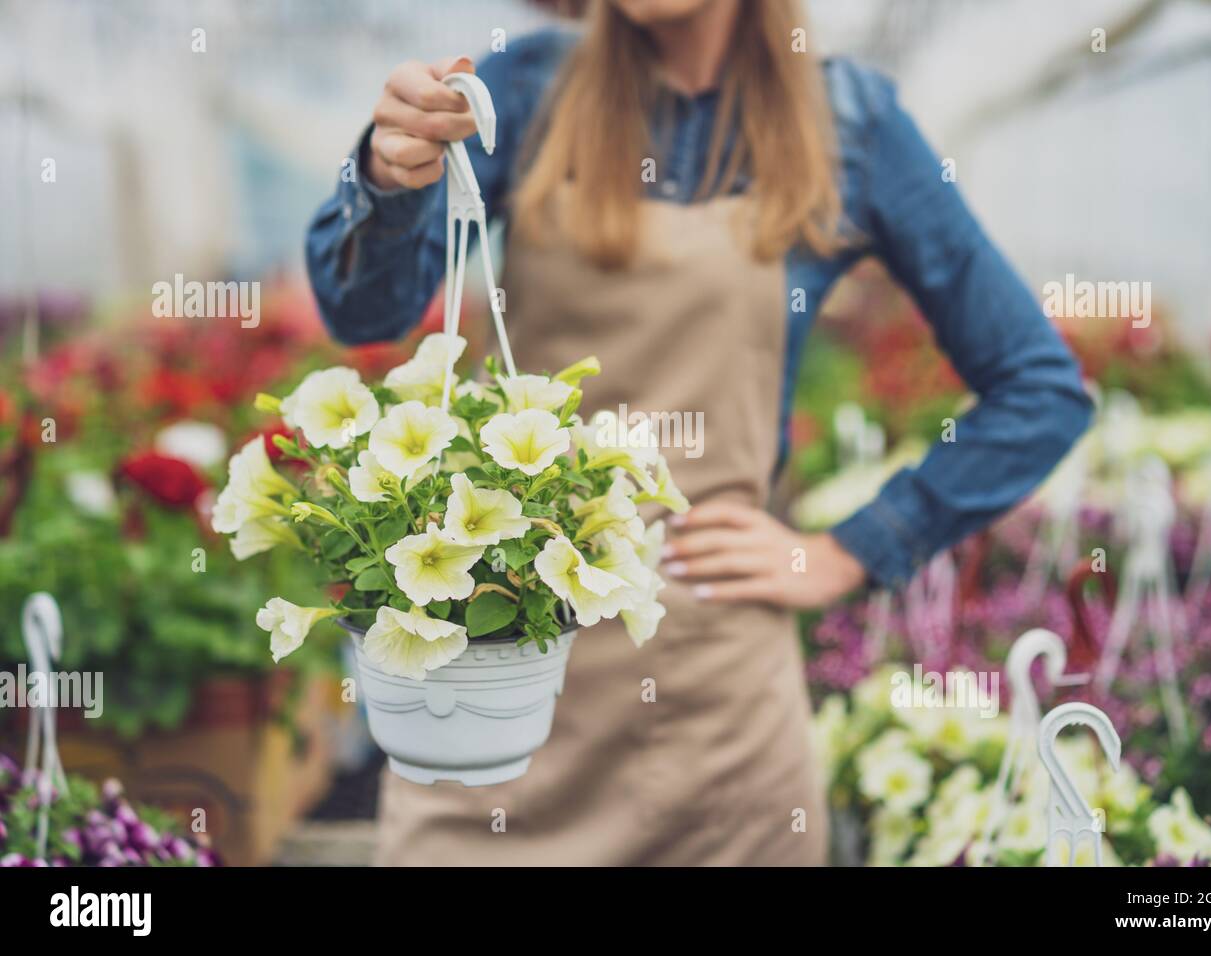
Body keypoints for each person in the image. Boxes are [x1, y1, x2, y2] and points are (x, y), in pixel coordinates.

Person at [306, 0, 1092, 865]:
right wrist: (387, 177)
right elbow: (364, 307)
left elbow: (1039, 388)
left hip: (710, 718)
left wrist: (849, 550)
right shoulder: (524, 89)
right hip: (491, 668)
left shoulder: (849, 125)